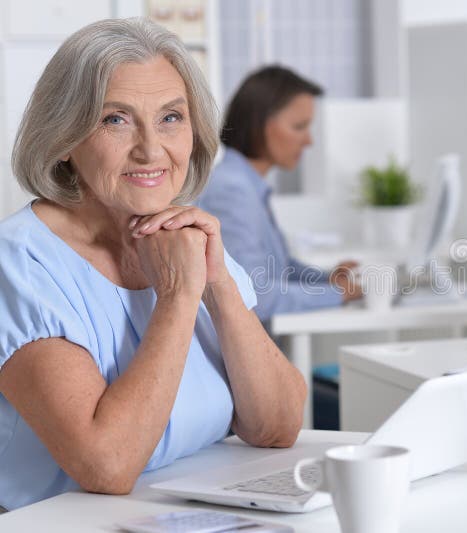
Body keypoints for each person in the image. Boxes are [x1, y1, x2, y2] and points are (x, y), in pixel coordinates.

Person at [0, 18, 306, 512]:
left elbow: (276, 425)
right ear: (64, 138)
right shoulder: (19, 263)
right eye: (115, 119)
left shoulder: (187, 237)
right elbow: (107, 465)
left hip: (194, 516)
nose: (150, 149)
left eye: (170, 117)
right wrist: (179, 296)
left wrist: (218, 283)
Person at [196, 66, 361, 322]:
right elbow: (253, 294)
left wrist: (326, 278)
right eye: (299, 126)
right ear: (261, 125)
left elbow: (274, 270)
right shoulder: (232, 191)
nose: (308, 141)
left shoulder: (248, 186)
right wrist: (336, 293)